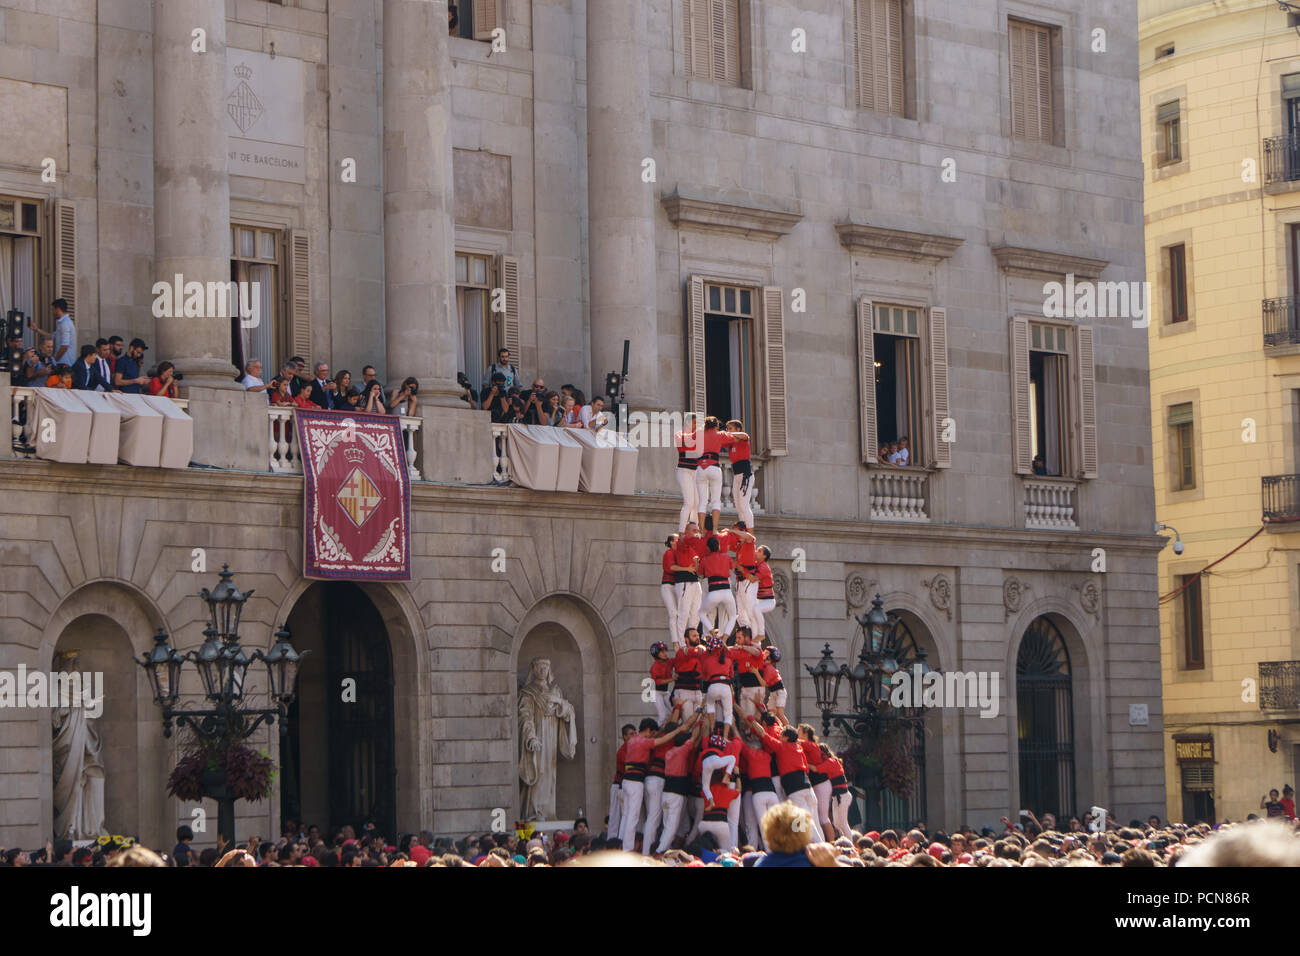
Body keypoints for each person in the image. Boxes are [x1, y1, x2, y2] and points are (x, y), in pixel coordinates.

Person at [697, 536, 737, 640]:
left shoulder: (705, 560)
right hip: (727, 592)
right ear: (719, 546)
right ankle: (724, 639)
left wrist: (696, 563)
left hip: (713, 593)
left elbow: (700, 573)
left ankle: (712, 634)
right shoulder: (726, 557)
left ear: (708, 548)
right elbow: (733, 568)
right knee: (732, 617)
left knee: (701, 613)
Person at [695, 416, 726, 532]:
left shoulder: (699, 434)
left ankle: (702, 530)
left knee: (702, 501)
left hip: (701, 468)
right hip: (714, 467)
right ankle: (714, 529)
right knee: (715, 501)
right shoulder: (720, 434)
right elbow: (735, 439)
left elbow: (687, 438)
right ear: (716, 426)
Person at [723, 419, 755, 528]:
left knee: (744, 505)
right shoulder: (731, 443)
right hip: (737, 475)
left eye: (730, 428)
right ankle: (743, 526)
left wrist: (728, 434)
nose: (728, 431)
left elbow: (744, 435)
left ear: (738, 429)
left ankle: (750, 530)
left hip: (745, 475)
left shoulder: (744, 439)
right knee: (738, 505)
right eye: (727, 429)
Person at [674, 412, 702, 531]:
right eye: (695, 423)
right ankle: (681, 530)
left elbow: (698, 452)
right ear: (688, 422)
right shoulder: (679, 434)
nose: (696, 425)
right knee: (689, 503)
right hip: (684, 470)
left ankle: (694, 529)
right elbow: (685, 445)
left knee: (697, 503)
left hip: (695, 471)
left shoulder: (698, 435)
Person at [753, 546, 777, 641]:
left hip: (769, 601)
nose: (756, 552)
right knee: (752, 613)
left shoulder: (764, 567)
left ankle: (761, 633)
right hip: (760, 600)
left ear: (764, 556)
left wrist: (742, 569)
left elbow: (753, 579)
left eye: (759, 551)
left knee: (756, 609)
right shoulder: (757, 564)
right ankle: (754, 635)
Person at [660, 534, 680, 648]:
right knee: (673, 614)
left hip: (675, 585)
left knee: (679, 614)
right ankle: (675, 642)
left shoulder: (677, 553)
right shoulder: (669, 553)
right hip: (668, 585)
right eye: (677, 540)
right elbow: (670, 567)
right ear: (672, 542)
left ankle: (679, 639)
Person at [649, 642, 674, 724]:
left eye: (665, 651)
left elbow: (677, 661)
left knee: (675, 711)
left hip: (665, 691)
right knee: (662, 715)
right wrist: (672, 679)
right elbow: (658, 681)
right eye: (662, 651)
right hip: (656, 692)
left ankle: (669, 728)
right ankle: (658, 734)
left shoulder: (669, 661)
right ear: (656, 654)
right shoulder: (655, 666)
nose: (665, 653)